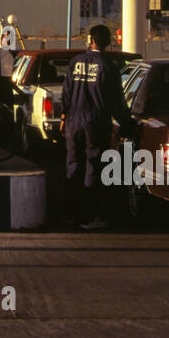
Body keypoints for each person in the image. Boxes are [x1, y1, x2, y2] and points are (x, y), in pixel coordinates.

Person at [59, 24, 130, 230]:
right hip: (95, 122)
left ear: (90, 40)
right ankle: (90, 217)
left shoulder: (75, 62)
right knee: (93, 167)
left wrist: (64, 116)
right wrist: (127, 123)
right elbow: (116, 100)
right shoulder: (109, 66)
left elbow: (67, 92)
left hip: (73, 121)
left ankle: (69, 214)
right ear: (108, 42)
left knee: (73, 166)